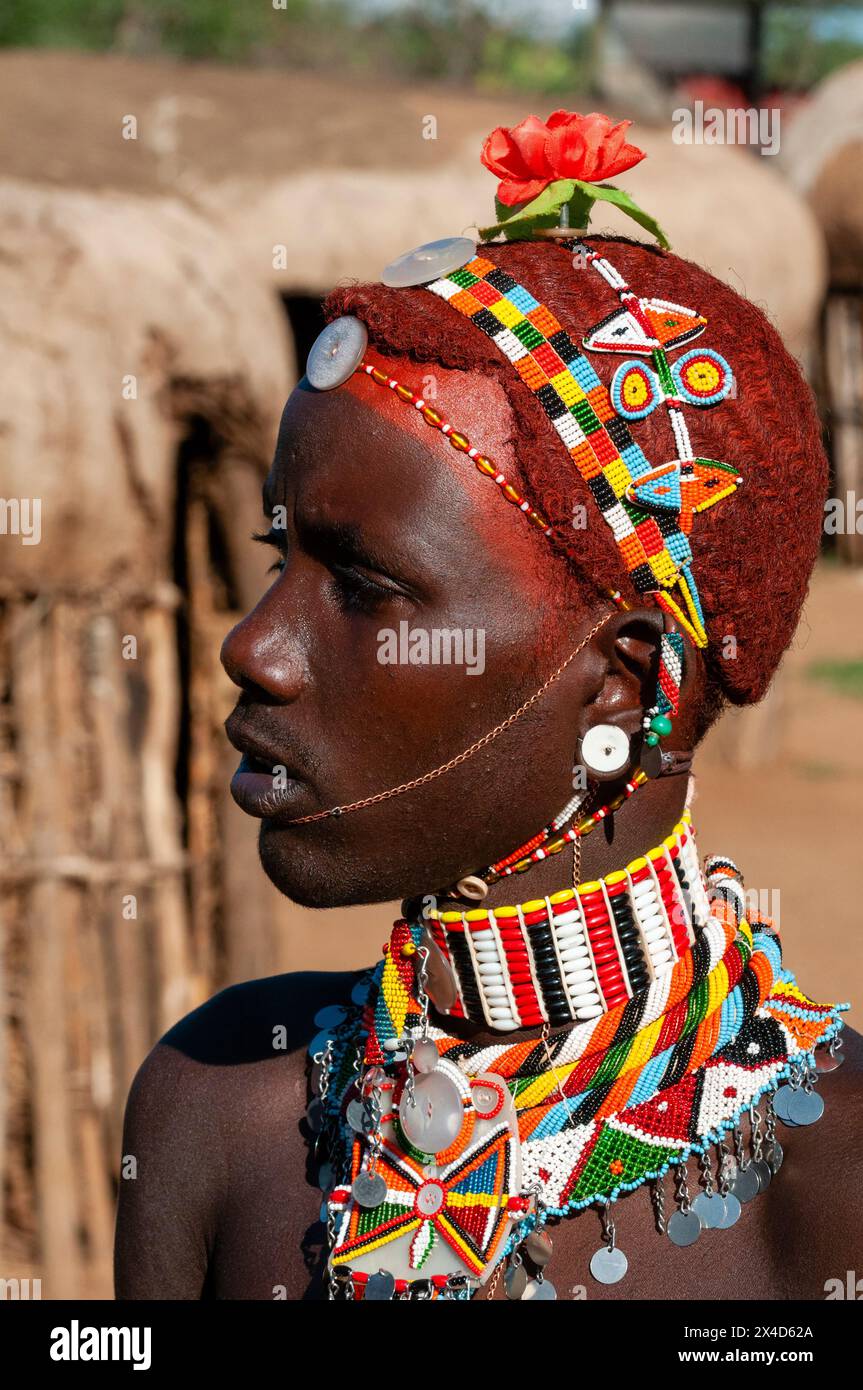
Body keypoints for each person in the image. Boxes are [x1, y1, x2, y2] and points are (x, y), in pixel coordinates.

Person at [114, 112, 861, 1301]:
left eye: (362, 585)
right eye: (278, 557)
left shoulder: (827, 1186)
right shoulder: (214, 1107)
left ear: (622, 681)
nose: (253, 647)